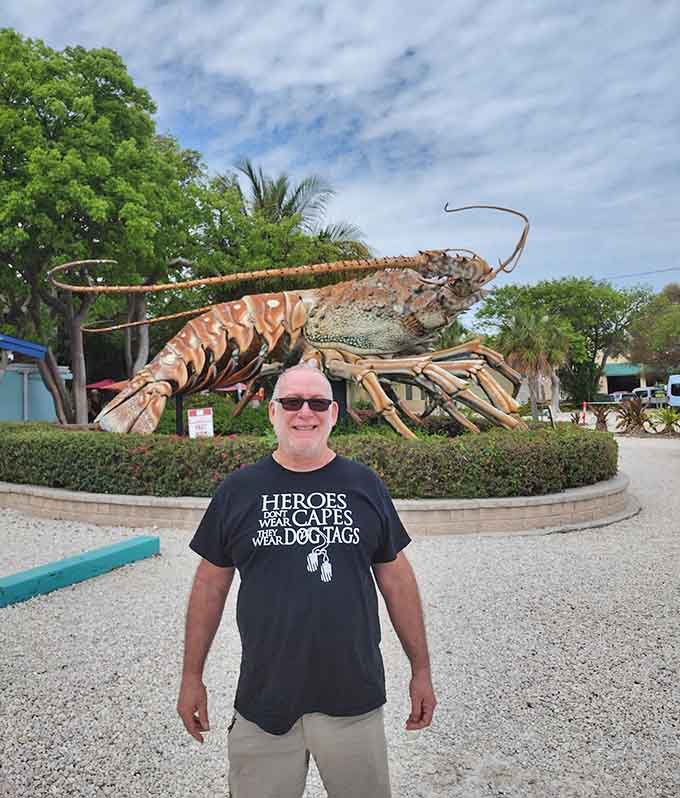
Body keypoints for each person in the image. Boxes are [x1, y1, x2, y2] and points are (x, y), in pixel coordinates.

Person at [177, 363, 436, 798]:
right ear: (273, 412)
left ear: (333, 413)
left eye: (317, 403)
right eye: (292, 402)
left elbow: (397, 580)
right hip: (264, 705)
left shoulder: (364, 485)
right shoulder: (239, 491)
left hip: (353, 701)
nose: (305, 413)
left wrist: (421, 670)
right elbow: (210, 586)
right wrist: (191, 676)